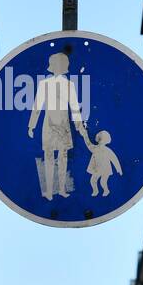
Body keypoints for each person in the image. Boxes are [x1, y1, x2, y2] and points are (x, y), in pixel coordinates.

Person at [27, 52, 88, 200]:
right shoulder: (44, 84)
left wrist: (79, 124)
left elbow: (74, 106)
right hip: (48, 123)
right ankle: (49, 191)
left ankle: (61, 189)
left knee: (63, 156)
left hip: (63, 124)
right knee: (49, 156)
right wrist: (31, 126)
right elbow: (37, 106)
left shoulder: (69, 85)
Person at [85, 129, 123, 197]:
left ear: (106, 141)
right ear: (98, 139)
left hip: (105, 169)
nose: (101, 141)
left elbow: (114, 159)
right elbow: (88, 144)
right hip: (97, 168)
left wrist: (118, 169)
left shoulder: (107, 150)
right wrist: (85, 135)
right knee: (93, 180)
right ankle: (95, 191)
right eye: (100, 139)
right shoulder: (95, 148)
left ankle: (106, 190)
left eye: (103, 140)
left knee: (103, 181)